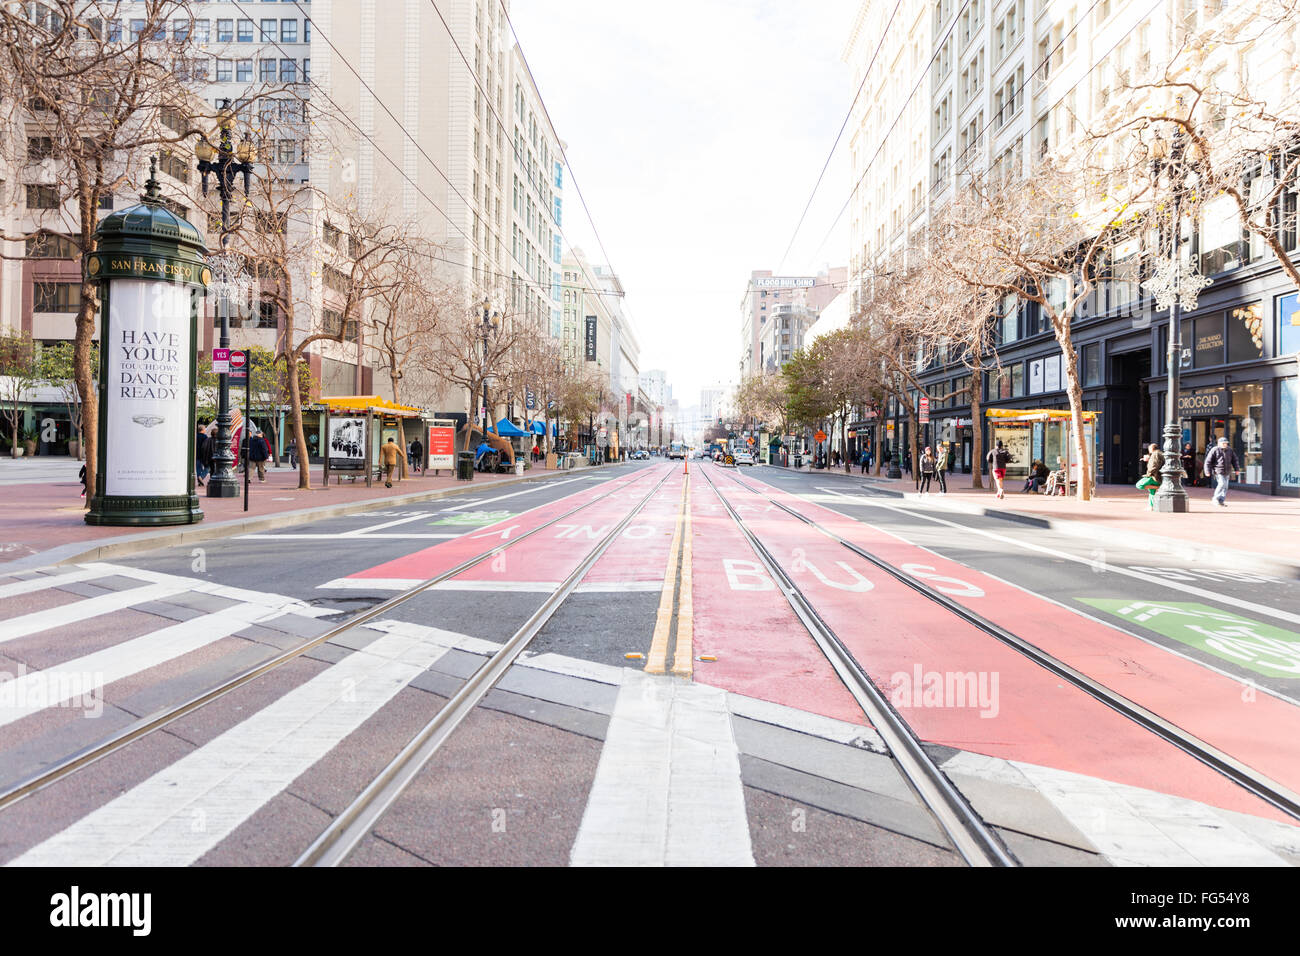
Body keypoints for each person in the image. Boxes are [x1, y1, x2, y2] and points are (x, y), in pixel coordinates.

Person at [1203, 436, 1240, 507]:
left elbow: (1235, 460)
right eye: (1224, 443)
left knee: (1225, 486)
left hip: (1227, 471)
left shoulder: (1230, 450)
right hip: (1218, 471)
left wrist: (1237, 469)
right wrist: (1207, 471)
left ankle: (1221, 501)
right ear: (1219, 443)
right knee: (1222, 484)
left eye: (1226, 443)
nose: (1225, 444)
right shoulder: (1214, 450)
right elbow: (1208, 461)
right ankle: (1215, 499)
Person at [1136, 442, 1163, 510]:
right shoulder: (1158, 453)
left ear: (1151, 448)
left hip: (1154, 476)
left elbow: (1154, 465)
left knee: (1139, 485)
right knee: (1152, 491)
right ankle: (1151, 506)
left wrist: (1149, 474)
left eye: (1149, 449)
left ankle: (1159, 487)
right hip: (1157, 475)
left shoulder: (1155, 454)